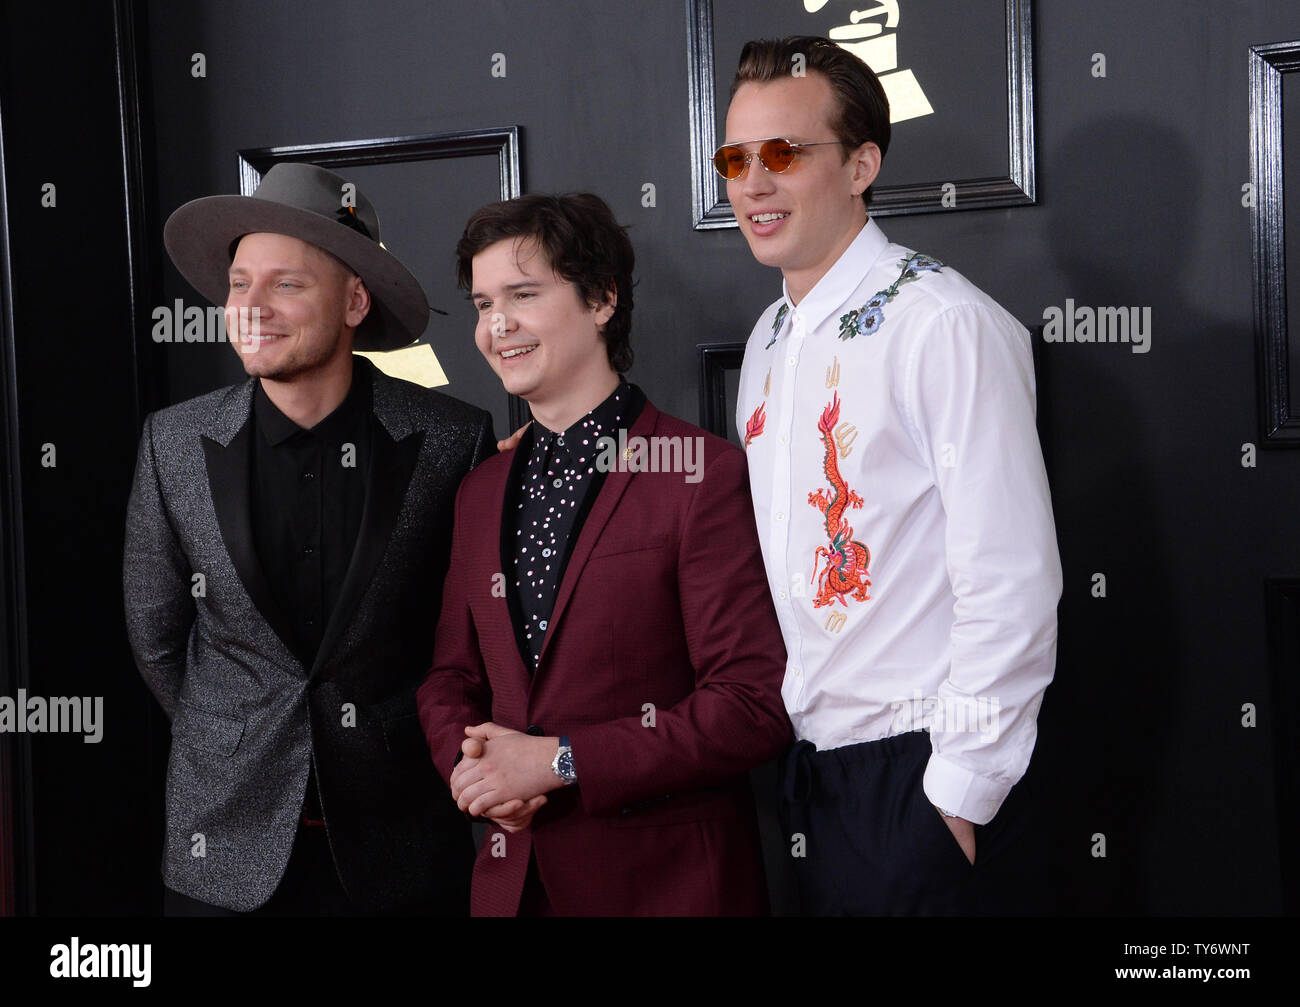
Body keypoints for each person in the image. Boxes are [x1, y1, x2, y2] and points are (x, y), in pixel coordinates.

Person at [721, 36, 1062, 915]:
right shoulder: (767, 341)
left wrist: (958, 790)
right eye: (735, 157)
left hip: (922, 771)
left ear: (863, 162)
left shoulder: (941, 321)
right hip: (811, 774)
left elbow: (1012, 576)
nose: (753, 183)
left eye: (785, 153)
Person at [123, 161, 494, 915]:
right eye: (239, 283)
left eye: (286, 283)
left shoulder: (452, 439)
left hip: (403, 849)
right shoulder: (173, 442)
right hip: (221, 853)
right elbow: (157, 637)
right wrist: (240, 732)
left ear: (355, 299)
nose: (251, 307)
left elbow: (472, 641)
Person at [416, 192, 791, 916]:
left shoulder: (699, 473)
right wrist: (473, 773)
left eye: (523, 294)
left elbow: (751, 706)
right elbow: (449, 676)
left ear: (602, 299)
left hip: (669, 889)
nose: (498, 326)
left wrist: (558, 761)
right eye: (483, 302)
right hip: (512, 888)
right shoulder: (479, 491)